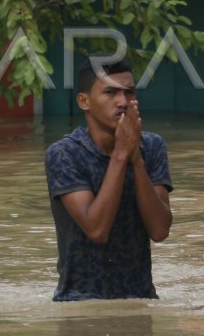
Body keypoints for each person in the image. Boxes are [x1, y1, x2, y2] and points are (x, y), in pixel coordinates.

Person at [44, 58, 173, 301]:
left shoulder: (152, 146)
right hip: (80, 303)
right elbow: (97, 229)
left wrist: (136, 160)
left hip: (141, 300)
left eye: (129, 92)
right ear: (84, 101)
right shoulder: (65, 154)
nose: (123, 102)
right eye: (110, 92)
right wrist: (121, 154)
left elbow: (160, 230)